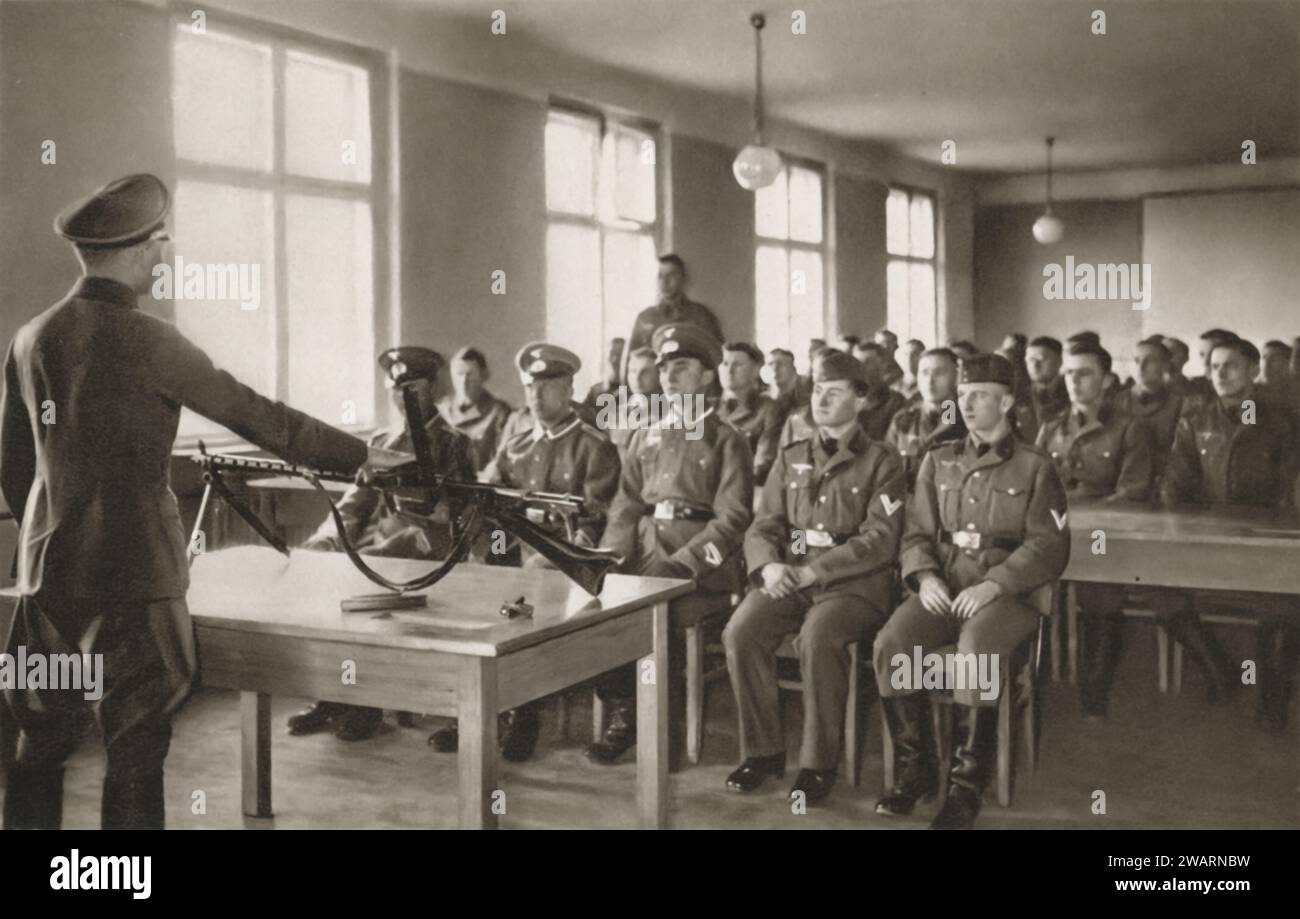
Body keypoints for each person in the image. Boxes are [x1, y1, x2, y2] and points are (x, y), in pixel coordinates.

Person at [0, 174, 385, 829]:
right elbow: (260, 417)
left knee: (39, 742)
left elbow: (12, 463)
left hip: (47, 574)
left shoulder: (32, 335)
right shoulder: (152, 340)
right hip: (136, 575)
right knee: (134, 750)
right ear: (144, 249)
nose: (164, 256)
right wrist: (362, 456)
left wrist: (51, 526)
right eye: (161, 244)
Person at [872, 353, 1069, 830]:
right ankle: (915, 769)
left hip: (1009, 597)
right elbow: (916, 531)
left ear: (1006, 402)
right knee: (892, 644)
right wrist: (925, 576)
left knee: (975, 650)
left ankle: (965, 785)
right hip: (947, 585)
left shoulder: (1035, 466)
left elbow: (1049, 544)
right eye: (962, 395)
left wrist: (995, 584)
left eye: (979, 395)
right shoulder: (938, 459)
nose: (967, 403)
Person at [723, 350, 905, 804]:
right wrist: (770, 565)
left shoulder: (884, 461)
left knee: (818, 638)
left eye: (835, 392)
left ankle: (817, 763)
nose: (822, 400)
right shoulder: (793, 456)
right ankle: (762, 752)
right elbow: (766, 524)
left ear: (861, 400)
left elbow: (879, 540)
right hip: (794, 573)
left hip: (854, 584)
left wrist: (812, 571)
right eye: (818, 391)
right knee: (741, 631)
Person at [429, 343, 621, 760]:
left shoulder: (593, 445)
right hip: (510, 547)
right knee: (470, 578)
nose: (535, 395)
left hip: (562, 557)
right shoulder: (514, 444)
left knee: (522, 588)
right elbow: (484, 493)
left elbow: (596, 523)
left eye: (547, 386)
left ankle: (524, 711)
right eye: (531, 386)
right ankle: (474, 707)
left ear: (569, 388)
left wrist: (555, 549)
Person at [287, 346, 476, 742]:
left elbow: (458, 515)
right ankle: (338, 695)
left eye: (414, 388)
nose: (403, 397)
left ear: (435, 388)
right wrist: (327, 538)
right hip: (384, 551)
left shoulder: (454, 444)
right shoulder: (381, 441)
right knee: (324, 570)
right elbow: (355, 502)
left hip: (432, 552)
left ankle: (365, 704)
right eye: (396, 388)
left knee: (358, 579)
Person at [587, 323, 754, 764]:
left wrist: (686, 563)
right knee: (594, 608)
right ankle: (626, 712)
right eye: (664, 369)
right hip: (643, 553)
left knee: (656, 616)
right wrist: (610, 556)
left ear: (706, 377)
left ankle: (664, 734)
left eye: (681, 368)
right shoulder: (646, 433)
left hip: (700, 568)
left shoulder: (727, 439)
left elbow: (734, 518)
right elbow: (625, 503)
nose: (669, 377)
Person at [1159, 337, 1299, 731]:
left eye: (1230, 366)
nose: (1219, 374)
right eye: (1214, 366)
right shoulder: (1196, 421)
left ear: (1253, 371)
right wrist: (1189, 529)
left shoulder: (1279, 422)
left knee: (1284, 607)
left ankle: (1272, 701)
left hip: (1265, 546)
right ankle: (1221, 670)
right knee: (1160, 590)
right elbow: (1174, 487)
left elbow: (1290, 491)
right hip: (1207, 543)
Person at [1036, 340, 1154, 718]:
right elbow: (1035, 486)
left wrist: (1086, 522)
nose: (1073, 381)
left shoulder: (1129, 428)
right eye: (1069, 373)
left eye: (1084, 373)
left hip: (1106, 535)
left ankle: (1094, 689)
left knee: (1100, 593)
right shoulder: (1052, 428)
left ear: (1106, 380)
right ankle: (1031, 684)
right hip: (1055, 533)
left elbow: (1133, 492)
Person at [620, 254, 724, 385]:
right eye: (660, 276)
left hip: (690, 393)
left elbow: (718, 359)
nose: (665, 281)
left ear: (683, 279)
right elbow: (629, 364)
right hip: (653, 395)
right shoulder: (645, 319)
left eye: (672, 275)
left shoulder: (701, 316)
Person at [883, 347, 967, 490]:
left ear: (956, 376)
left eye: (939, 373)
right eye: (924, 373)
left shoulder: (966, 419)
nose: (930, 381)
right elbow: (887, 473)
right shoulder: (904, 420)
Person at [1114, 337, 1183, 481]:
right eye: (1136, 360)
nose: (1141, 366)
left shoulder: (1179, 404)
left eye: (1150, 360)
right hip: (1119, 480)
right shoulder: (1115, 402)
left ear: (1165, 366)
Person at [436, 346, 513, 473]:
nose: (464, 381)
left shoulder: (499, 412)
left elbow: (501, 461)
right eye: (459, 374)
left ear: (484, 375)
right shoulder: (441, 409)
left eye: (470, 374)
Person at [719, 342, 782, 486]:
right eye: (725, 363)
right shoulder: (704, 407)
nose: (729, 370)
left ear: (755, 371)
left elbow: (763, 462)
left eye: (737, 365)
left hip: (745, 490)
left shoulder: (768, 409)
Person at [604, 346, 660, 457]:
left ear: (659, 374)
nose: (637, 378)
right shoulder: (615, 416)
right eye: (633, 371)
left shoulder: (670, 414)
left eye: (645, 372)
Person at [1020, 336, 1069, 442]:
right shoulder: (1018, 396)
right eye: (1030, 360)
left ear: (1059, 361)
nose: (1034, 365)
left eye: (1041, 359)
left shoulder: (1072, 393)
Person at [584, 337, 625, 409]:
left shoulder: (635, 389)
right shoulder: (595, 391)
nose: (615, 360)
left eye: (620, 355)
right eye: (612, 354)